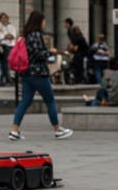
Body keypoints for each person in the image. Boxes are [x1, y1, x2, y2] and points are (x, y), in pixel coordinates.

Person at [9, 10, 73, 140]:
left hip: (26, 73)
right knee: (50, 101)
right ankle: (57, 130)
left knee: (25, 101)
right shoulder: (37, 35)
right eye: (44, 21)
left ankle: (14, 131)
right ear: (39, 21)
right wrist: (51, 52)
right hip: (38, 73)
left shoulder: (26, 36)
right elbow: (39, 54)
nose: (45, 23)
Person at [0, 12, 16, 85]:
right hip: (3, 46)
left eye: (5, 18)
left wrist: (6, 36)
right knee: (3, 63)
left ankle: (8, 78)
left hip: (11, 46)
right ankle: (5, 79)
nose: (4, 19)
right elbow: (0, 37)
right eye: (2, 18)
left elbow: (13, 36)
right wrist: (5, 36)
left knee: (8, 63)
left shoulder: (11, 27)